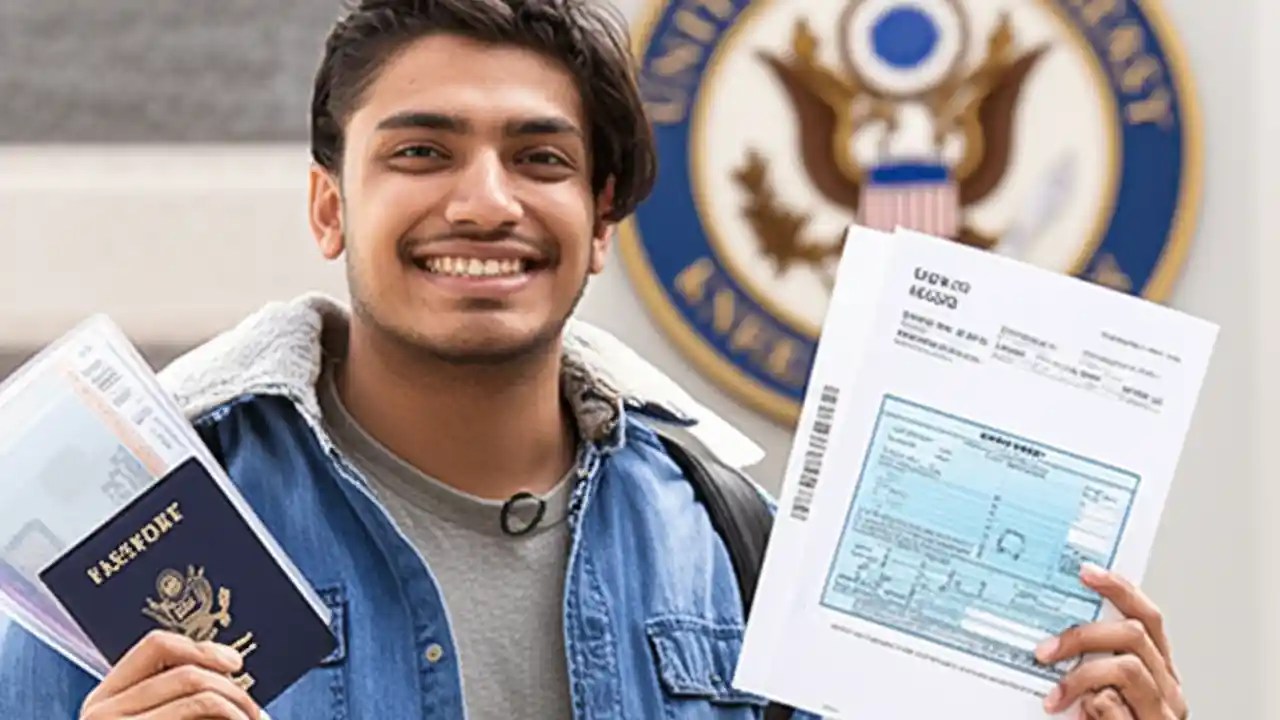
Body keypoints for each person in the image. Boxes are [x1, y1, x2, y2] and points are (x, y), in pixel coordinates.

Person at [0, 1, 1189, 718]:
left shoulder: (742, 544)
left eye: (540, 158)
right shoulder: (130, 529)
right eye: (419, 151)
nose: (483, 201)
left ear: (602, 220)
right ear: (327, 206)